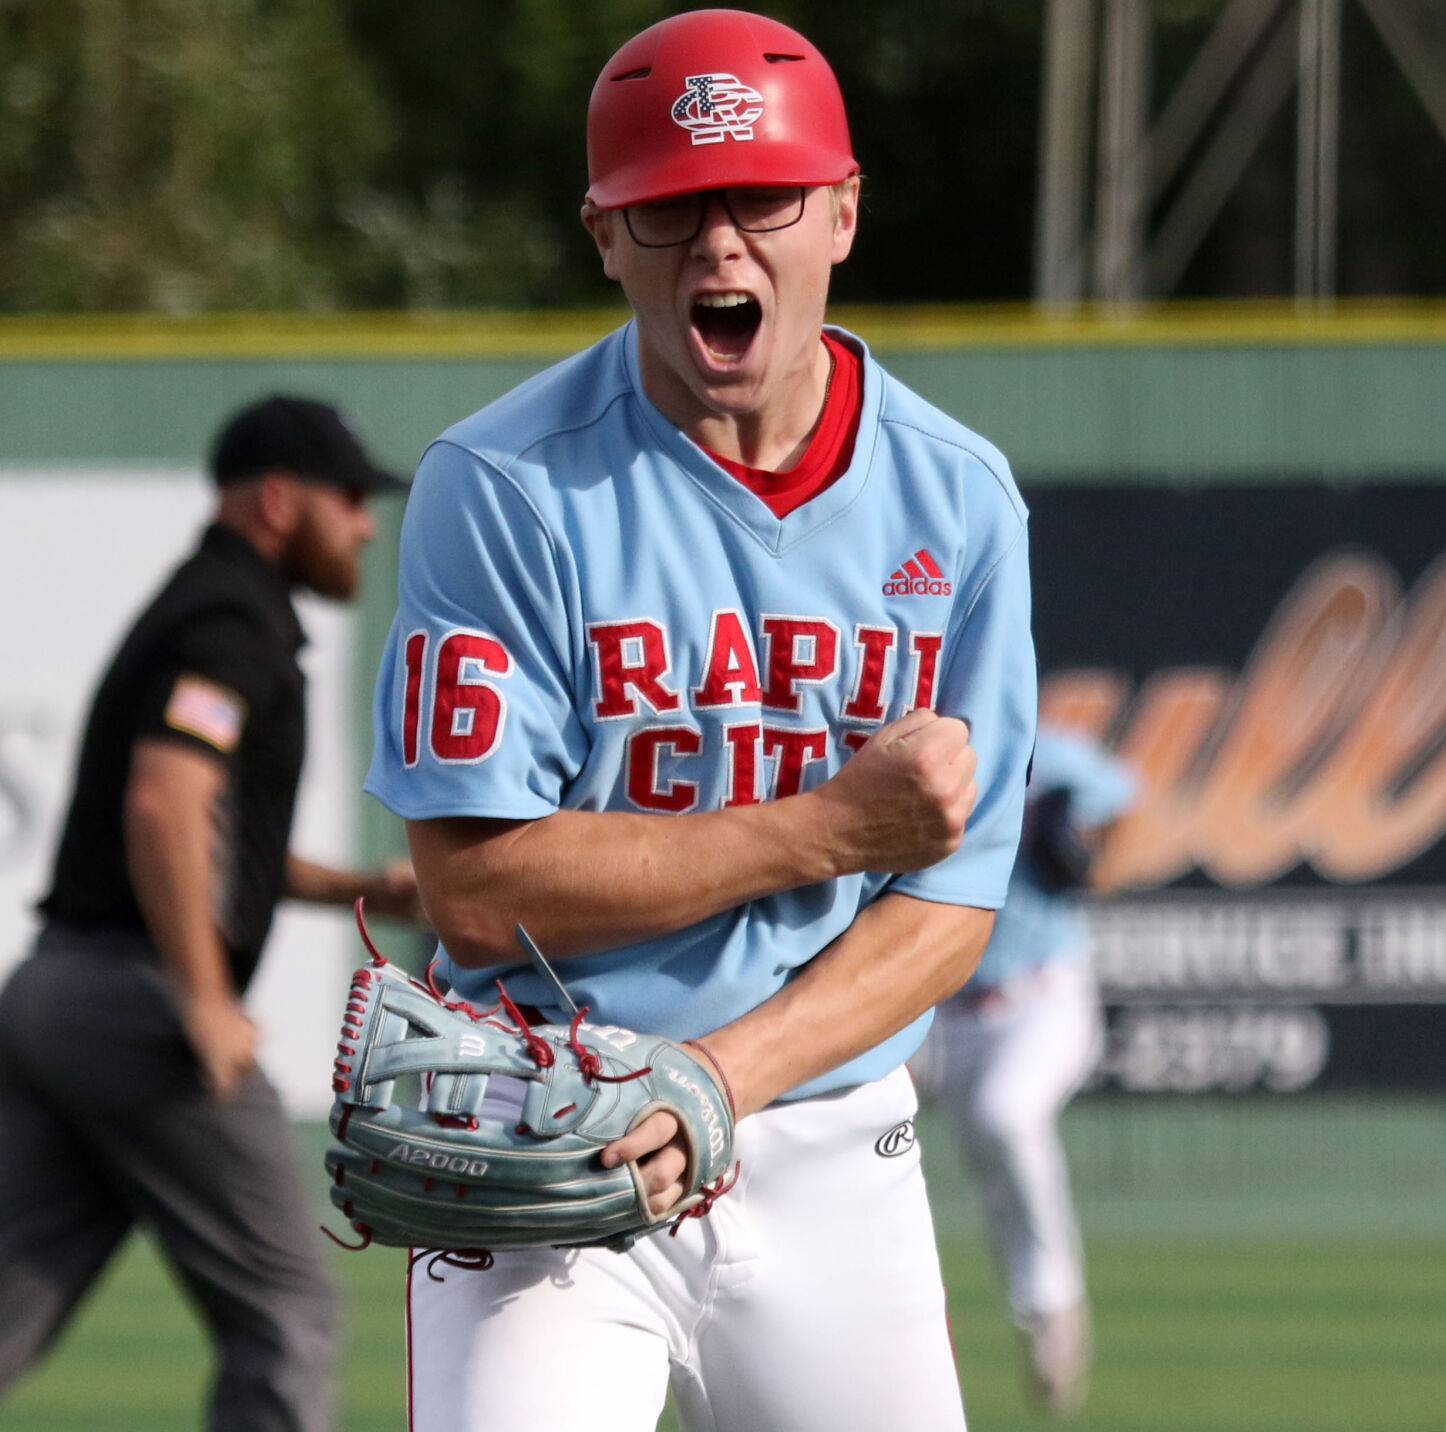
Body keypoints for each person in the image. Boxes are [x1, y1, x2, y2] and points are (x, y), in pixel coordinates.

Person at [365, 11, 1036, 1431]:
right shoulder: (503, 485)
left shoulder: (957, 499)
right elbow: (476, 891)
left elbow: (951, 903)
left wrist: (718, 1081)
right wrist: (824, 829)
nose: (720, 243)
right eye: (669, 208)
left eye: (763, 198)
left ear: (841, 214)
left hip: (825, 1132)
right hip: (546, 1127)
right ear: (604, 235)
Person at [0, 394, 422, 1432]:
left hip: (58, 996)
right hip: (135, 1009)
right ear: (278, 500)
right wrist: (199, 996)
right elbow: (165, 803)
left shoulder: (209, 606)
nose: (365, 523)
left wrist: (363, 889)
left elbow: (212, 839)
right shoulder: (229, 622)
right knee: (290, 1309)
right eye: (349, 498)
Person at [923, 722, 1138, 1416]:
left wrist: (1097, 860)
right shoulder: (921, 749)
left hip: (1042, 995)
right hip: (942, 1011)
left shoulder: (1053, 755)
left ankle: (1054, 1309)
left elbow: (1126, 801)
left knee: (1005, 1115)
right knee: (961, 1157)